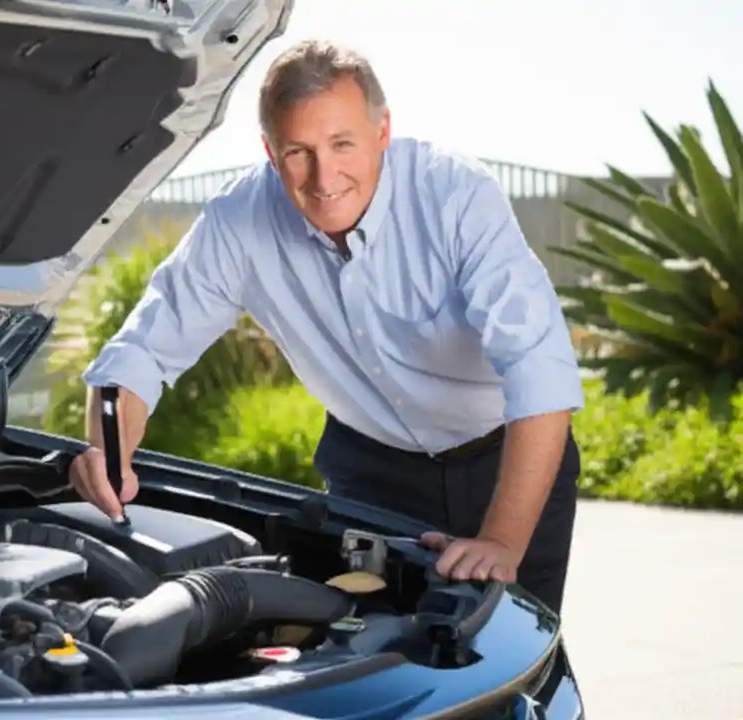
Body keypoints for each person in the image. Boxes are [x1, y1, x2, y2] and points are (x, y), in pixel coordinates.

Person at [67, 39, 584, 614]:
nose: (323, 175)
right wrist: (106, 454)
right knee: (366, 655)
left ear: (382, 130)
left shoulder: (456, 194)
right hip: (372, 473)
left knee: (511, 652)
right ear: (270, 151)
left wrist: (501, 540)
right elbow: (139, 353)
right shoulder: (239, 220)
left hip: (507, 461)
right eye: (298, 152)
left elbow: (538, 369)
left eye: (342, 144)